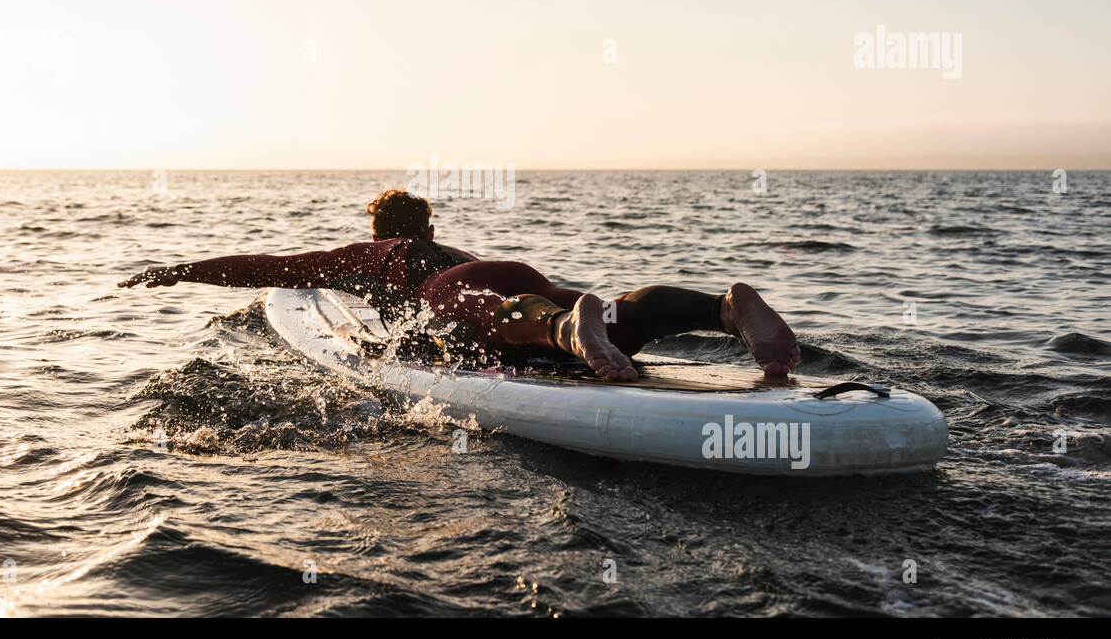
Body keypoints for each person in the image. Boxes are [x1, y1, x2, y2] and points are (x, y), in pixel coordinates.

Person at [119, 188, 801, 381]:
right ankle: (722, 308)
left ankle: (567, 329)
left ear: (383, 225)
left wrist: (176, 270)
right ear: (430, 221)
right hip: (520, 270)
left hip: (471, 289)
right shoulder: (455, 244)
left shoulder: (377, 252)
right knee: (622, 316)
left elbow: (267, 266)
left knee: (496, 314)